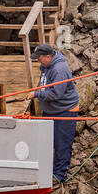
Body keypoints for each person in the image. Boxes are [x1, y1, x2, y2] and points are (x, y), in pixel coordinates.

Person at [32, 43, 81, 185]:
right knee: (46, 140)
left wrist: (36, 94)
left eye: (39, 58)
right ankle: (47, 169)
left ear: (48, 56)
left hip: (65, 110)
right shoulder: (46, 66)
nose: (37, 60)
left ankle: (59, 175)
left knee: (62, 143)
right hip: (51, 110)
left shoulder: (60, 69)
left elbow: (56, 93)